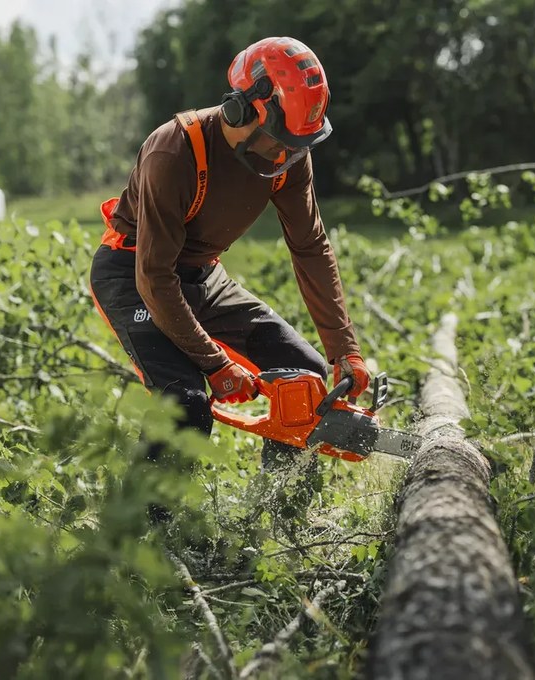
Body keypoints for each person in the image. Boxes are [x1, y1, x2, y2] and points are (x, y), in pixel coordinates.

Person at [89, 36, 369, 485]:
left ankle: (280, 514)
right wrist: (215, 363)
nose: (287, 157)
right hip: (133, 273)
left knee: (307, 380)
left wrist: (344, 349)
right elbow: (155, 276)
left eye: (298, 147)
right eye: (281, 143)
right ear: (242, 109)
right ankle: (141, 532)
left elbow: (311, 246)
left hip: (202, 275)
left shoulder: (290, 156)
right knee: (185, 402)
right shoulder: (174, 152)